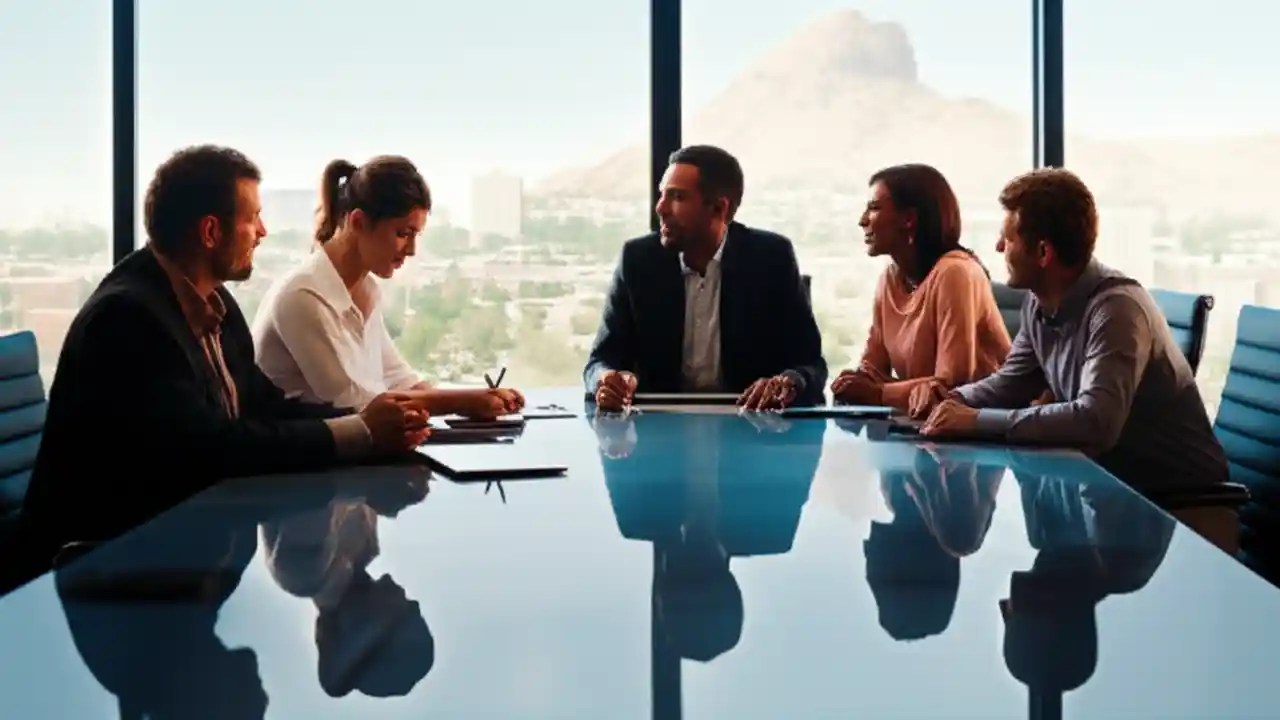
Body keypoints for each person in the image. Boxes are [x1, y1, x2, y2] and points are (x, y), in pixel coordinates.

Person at [24, 145, 428, 546]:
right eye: (253, 218)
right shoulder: (127, 319)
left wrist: (370, 425)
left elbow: (265, 406)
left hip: (183, 541)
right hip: (104, 564)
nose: (263, 232)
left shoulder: (217, 305)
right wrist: (360, 431)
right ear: (212, 232)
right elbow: (209, 449)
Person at [913, 168, 1228, 495]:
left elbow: (1097, 421)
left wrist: (976, 420)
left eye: (1007, 239)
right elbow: (1013, 382)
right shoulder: (1038, 303)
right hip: (1113, 493)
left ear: (1043, 253)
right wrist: (951, 400)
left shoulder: (1117, 310)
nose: (997, 246)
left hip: (1185, 509)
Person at [252, 156, 524, 419]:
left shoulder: (364, 290)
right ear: (358, 222)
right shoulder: (302, 296)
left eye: (415, 235)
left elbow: (397, 379)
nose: (412, 250)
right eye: (403, 234)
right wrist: (462, 402)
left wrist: (483, 399)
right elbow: (357, 403)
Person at [584, 145, 826, 411]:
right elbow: (600, 361)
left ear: (719, 208)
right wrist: (607, 380)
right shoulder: (638, 260)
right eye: (662, 194)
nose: (661, 207)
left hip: (749, 429)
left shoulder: (770, 258)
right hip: (659, 429)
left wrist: (787, 383)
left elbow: (811, 364)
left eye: (677, 197)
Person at [830, 164, 1010, 412]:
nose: (862, 221)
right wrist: (855, 383)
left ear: (908, 219)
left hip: (986, 429)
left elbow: (952, 386)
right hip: (929, 426)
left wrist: (879, 392)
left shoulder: (956, 273)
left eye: (873, 208)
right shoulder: (890, 279)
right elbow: (872, 369)